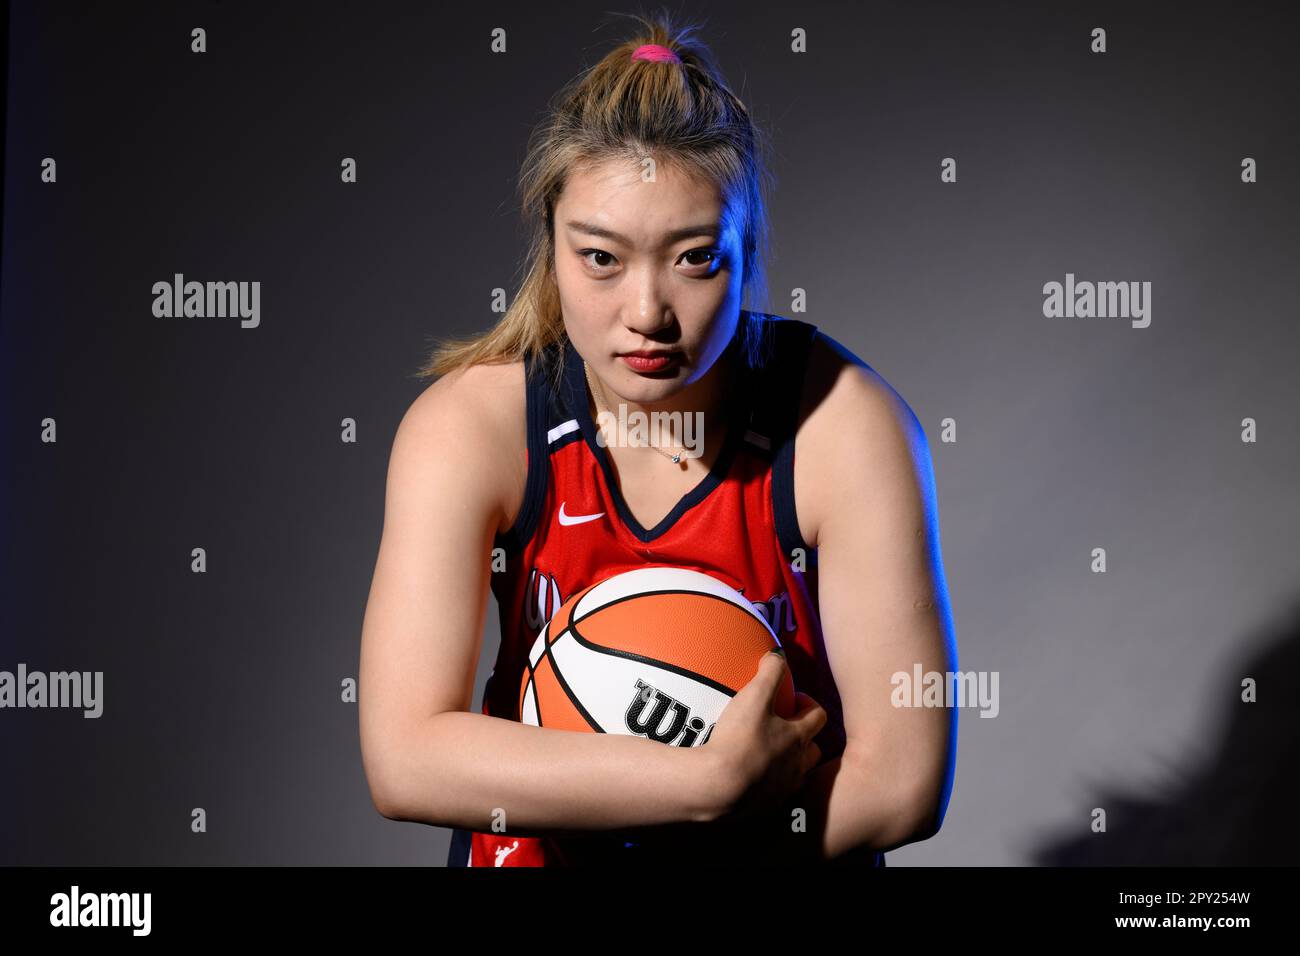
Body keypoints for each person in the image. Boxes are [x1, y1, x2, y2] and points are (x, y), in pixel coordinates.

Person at [358, 14, 957, 867]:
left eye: (695, 259)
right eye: (601, 258)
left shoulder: (843, 424)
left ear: (746, 252)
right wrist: (702, 786)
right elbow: (404, 755)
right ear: (551, 246)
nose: (647, 312)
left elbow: (903, 784)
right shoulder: (473, 427)